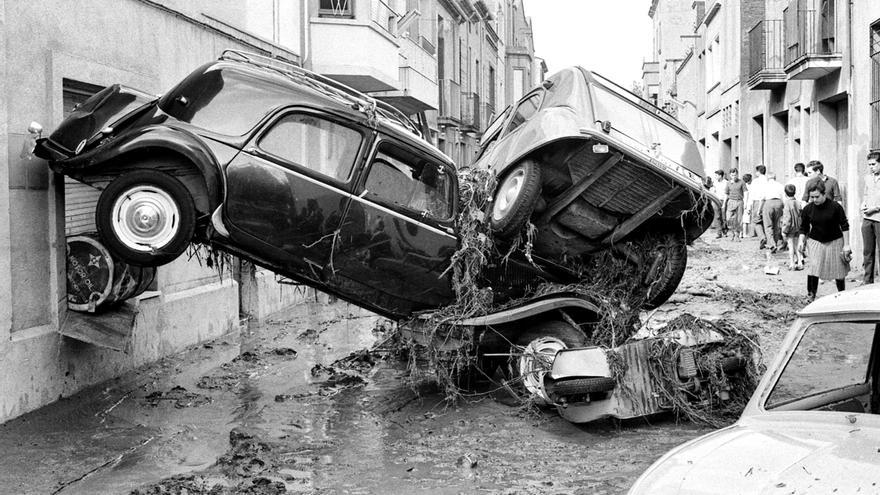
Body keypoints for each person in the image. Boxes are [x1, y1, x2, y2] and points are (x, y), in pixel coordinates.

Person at [798, 181, 851, 301]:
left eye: (817, 196)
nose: (814, 199)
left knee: (839, 269)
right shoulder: (808, 209)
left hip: (835, 240)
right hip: (816, 240)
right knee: (814, 268)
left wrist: (846, 245)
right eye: (812, 197)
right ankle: (811, 295)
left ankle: (842, 295)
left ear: (824, 194)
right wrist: (801, 241)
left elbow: (845, 226)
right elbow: (804, 228)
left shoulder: (835, 207)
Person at [861, 150, 880, 284]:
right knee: (868, 251)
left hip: (879, 217)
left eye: (873, 164)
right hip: (868, 219)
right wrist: (863, 204)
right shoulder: (868, 178)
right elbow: (866, 194)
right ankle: (868, 280)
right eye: (869, 164)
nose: (871, 167)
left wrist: (875, 208)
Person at [781, 184, 804, 270]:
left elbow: (787, 218)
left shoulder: (787, 204)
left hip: (790, 228)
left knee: (790, 246)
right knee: (797, 245)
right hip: (798, 227)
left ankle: (792, 263)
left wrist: (784, 230)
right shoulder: (798, 203)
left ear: (785, 194)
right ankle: (800, 262)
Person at [763, 172, 786, 252]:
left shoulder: (765, 185)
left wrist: (759, 209)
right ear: (775, 178)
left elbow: (761, 198)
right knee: (777, 224)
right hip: (778, 203)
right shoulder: (780, 185)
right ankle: (777, 243)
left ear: (768, 178)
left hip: (768, 202)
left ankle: (772, 244)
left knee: (768, 225)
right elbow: (784, 197)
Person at [724, 168, 747, 241]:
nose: (733, 176)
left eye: (735, 175)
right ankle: (732, 232)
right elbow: (726, 194)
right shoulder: (728, 183)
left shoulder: (742, 182)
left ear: (737, 174)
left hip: (739, 201)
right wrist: (724, 204)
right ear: (730, 175)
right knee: (728, 218)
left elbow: (746, 193)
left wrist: (745, 203)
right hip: (731, 201)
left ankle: (737, 235)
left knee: (738, 219)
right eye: (732, 175)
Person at [751, 165, 768, 247]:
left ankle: (762, 237)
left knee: (757, 221)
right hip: (768, 201)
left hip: (757, 201)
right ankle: (769, 239)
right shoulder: (768, 180)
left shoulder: (755, 181)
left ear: (758, 172)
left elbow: (752, 194)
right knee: (766, 221)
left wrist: (749, 204)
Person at [710, 169, 728, 238]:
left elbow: (727, 193)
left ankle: (725, 230)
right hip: (715, 200)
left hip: (723, 200)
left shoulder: (726, 183)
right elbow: (712, 191)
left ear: (720, 176)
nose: (715, 177)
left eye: (717, 175)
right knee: (717, 216)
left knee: (724, 217)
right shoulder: (715, 183)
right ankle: (719, 232)